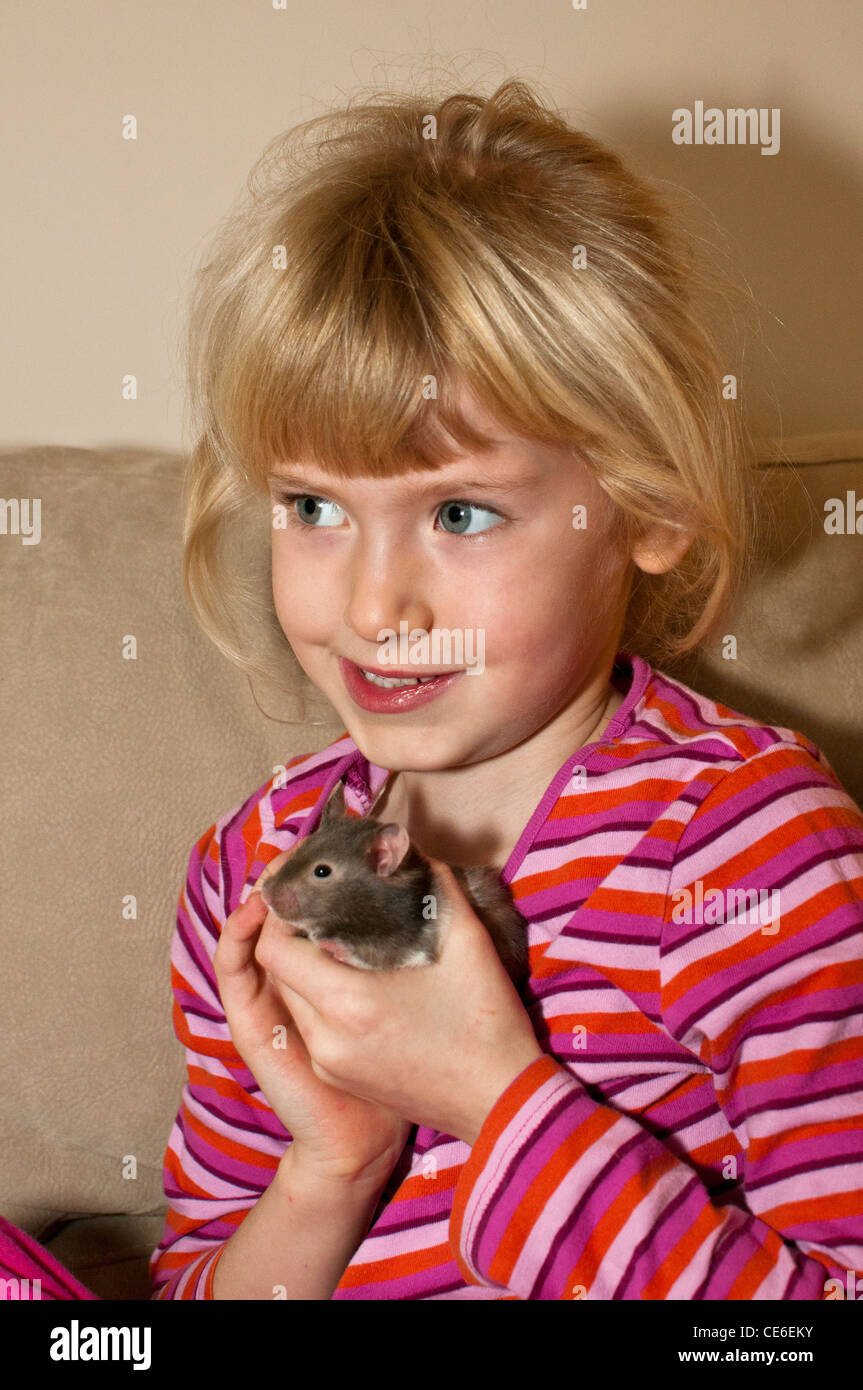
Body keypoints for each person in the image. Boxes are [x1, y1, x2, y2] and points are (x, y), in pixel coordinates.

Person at [5, 77, 862, 1302]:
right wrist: (332, 1168)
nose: (369, 608)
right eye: (313, 509)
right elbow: (196, 1281)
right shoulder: (255, 869)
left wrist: (489, 1096)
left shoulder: (748, 853)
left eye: (458, 514)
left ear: (648, 511)